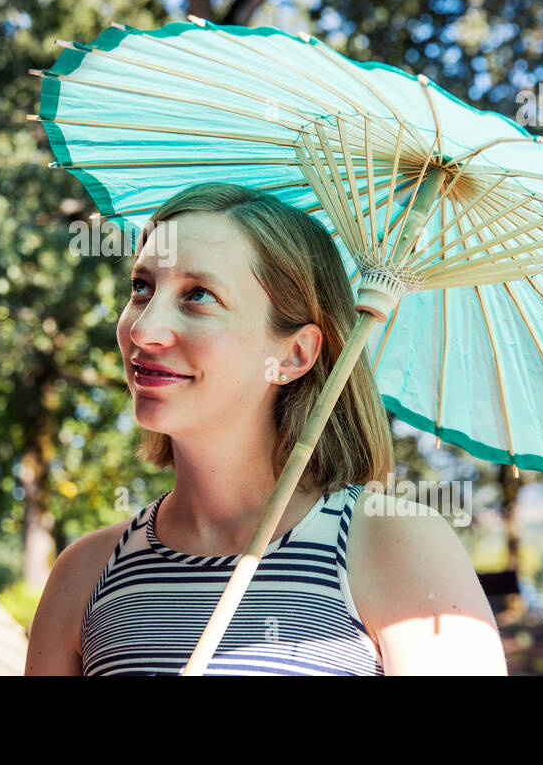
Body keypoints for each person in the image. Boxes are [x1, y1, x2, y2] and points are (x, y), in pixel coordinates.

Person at [25, 182, 507, 675]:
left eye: (198, 296)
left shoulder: (398, 548)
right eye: (142, 287)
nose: (144, 330)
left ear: (293, 355)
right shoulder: (83, 575)